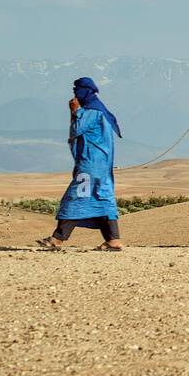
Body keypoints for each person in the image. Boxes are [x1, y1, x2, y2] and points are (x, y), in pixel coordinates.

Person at [38, 77, 123, 250]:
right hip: (102, 165)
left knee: (76, 197)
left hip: (90, 164)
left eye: (77, 91)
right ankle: (114, 240)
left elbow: (76, 130)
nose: (75, 95)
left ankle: (57, 239)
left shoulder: (91, 112)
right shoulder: (102, 111)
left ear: (84, 92)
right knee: (102, 198)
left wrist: (73, 111)